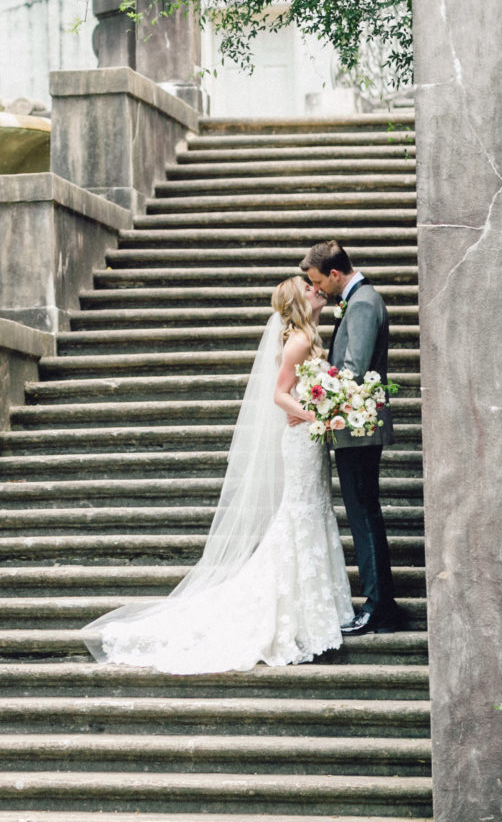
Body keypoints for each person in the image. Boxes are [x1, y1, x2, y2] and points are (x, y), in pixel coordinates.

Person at [83, 276, 353, 673]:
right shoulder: (297, 342)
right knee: (300, 514)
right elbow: (279, 394)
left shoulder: (307, 338)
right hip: (301, 441)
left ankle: (315, 606)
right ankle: (295, 609)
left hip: (309, 440)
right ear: (299, 301)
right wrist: (317, 417)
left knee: (312, 513)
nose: (317, 290)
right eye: (308, 288)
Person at [299, 239, 401, 635]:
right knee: (364, 513)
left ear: (335, 274)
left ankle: (379, 606)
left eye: (318, 281)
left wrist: (315, 388)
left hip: (357, 427)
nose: (318, 289)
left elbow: (353, 373)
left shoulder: (360, 304)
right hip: (356, 427)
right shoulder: (360, 299)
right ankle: (382, 604)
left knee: (363, 515)